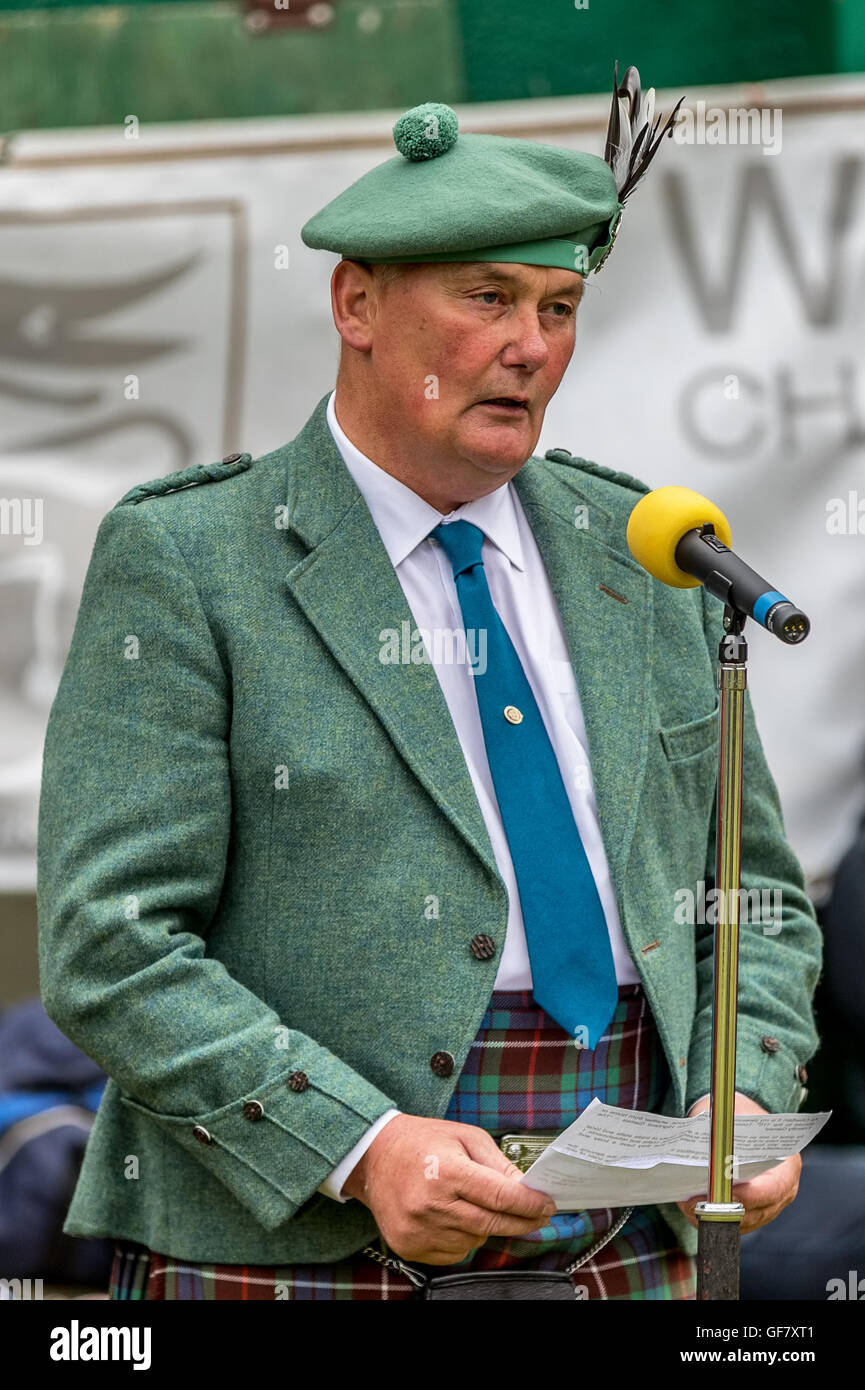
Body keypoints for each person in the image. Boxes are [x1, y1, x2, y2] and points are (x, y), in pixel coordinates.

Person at [37, 76, 822, 1301]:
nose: (531, 346)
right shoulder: (193, 559)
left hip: (639, 1232)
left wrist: (746, 1081)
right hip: (303, 1241)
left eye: (559, 306)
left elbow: (750, 887)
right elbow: (110, 943)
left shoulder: (648, 549)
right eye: (488, 298)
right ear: (358, 303)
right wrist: (356, 1144)